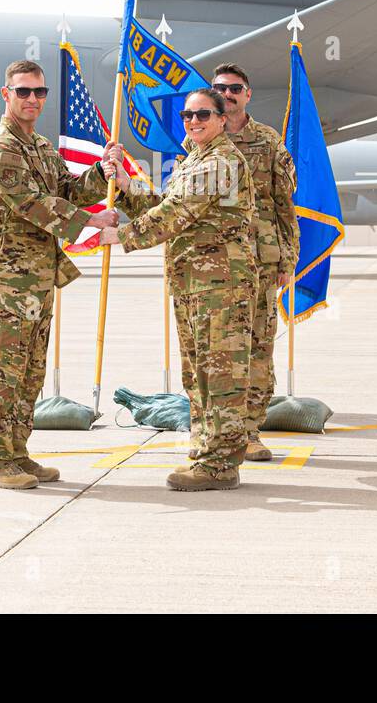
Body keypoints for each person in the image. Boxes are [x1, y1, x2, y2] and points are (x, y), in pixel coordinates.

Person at [0, 59, 120, 490]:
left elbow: (67, 190)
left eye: (39, 92)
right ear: (7, 95)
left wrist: (101, 172)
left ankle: (17, 453)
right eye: (23, 91)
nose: (32, 99)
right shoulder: (2, 148)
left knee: (29, 373)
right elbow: (30, 204)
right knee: (0, 374)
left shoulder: (37, 146)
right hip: (8, 281)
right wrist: (91, 223)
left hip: (37, 280)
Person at [99, 88, 257, 491]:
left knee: (220, 376)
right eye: (187, 115)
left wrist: (123, 236)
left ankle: (221, 465)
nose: (193, 121)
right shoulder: (195, 160)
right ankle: (207, 448)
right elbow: (163, 201)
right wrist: (124, 182)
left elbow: (175, 214)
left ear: (222, 119)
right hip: (194, 284)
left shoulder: (220, 161)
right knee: (198, 373)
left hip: (221, 285)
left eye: (203, 114)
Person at [209, 64, 298, 461]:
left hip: (260, 260)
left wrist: (288, 258)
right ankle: (216, 429)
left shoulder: (266, 141)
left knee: (257, 346)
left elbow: (285, 204)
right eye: (219, 89)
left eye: (234, 89)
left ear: (248, 95)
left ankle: (250, 431)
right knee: (216, 348)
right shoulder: (201, 136)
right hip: (213, 263)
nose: (226, 95)